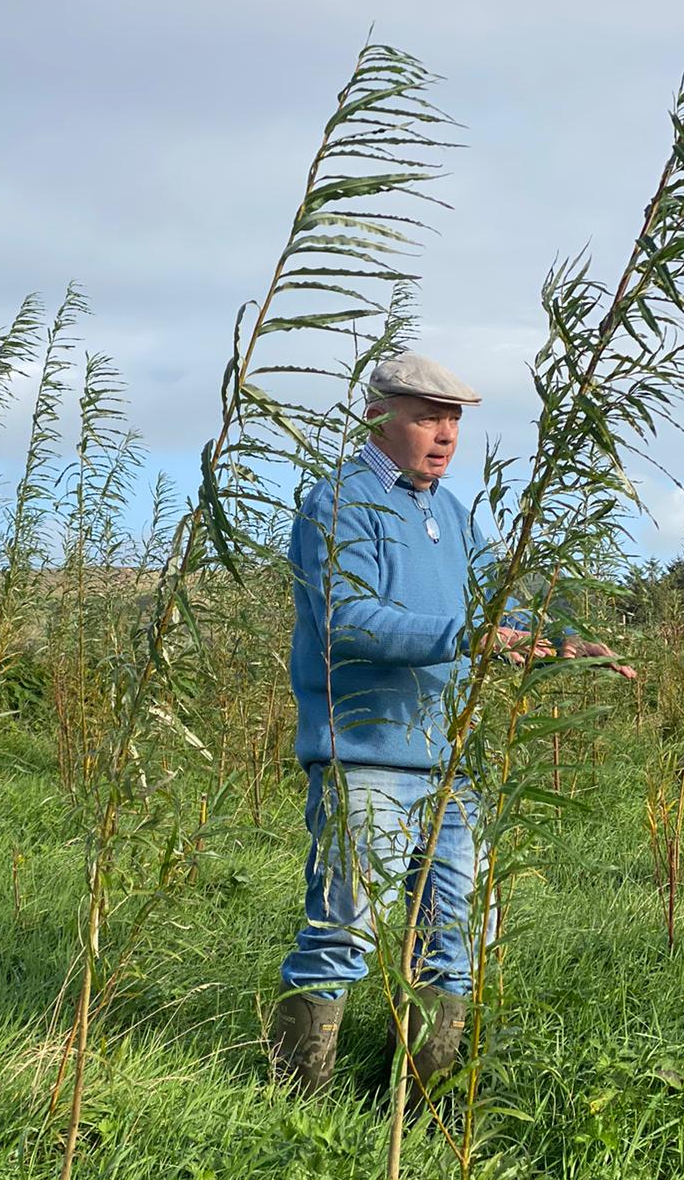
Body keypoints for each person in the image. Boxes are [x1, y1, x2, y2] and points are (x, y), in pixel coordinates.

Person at [270, 351, 634, 1098]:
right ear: (378, 416)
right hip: (364, 758)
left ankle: (422, 1106)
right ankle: (296, 1110)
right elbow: (348, 620)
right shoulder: (338, 503)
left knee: (456, 940)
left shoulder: (451, 514)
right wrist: (469, 637)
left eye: (454, 420)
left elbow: (494, 613)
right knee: (343, 934)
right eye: (426, 416)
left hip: (450, 766)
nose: (444, 434)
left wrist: (566, 646)